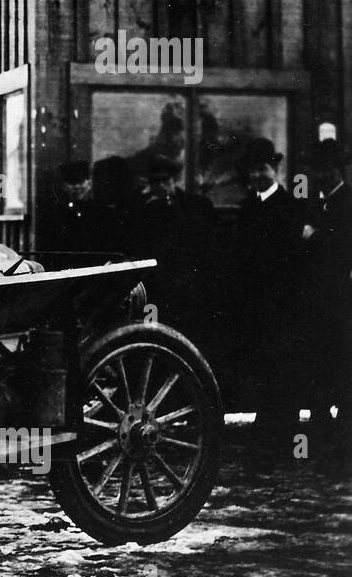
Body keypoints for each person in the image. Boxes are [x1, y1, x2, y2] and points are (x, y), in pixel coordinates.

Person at [228, 138, 305, 448]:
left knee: (282, 367)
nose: (258, 175)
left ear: (275, 169)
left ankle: (283, 431)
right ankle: (266, 426)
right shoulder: (248, 207)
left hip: (281, 302)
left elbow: (292, 259)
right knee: (260, 365)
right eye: (253, 170)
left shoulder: (290, 206)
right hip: (254, 301)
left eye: (263, 169)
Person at [128, 154, 216, 342]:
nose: (160, 186)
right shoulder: (143, 208)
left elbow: (202, 244)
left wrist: (171, 205)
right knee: (153, 335)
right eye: (155, 182)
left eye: (165, 181)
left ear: (173, 180)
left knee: (187, 336)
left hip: (185, 287)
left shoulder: (195, 205)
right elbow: (135, 243)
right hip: (155, 287)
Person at [298, 139, 352, 443]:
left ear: (338, 169)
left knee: (342, 363)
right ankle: (321, 428)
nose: (322, 174)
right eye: (318, 169)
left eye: (327, 169)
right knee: (318, 363)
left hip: (342, 299)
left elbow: (344, 246)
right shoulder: (314, 203)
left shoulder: (348, 200)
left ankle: (344, 431)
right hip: (317, 299)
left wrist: (316, 235)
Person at [38, 159, 121, 264]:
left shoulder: (103, 213)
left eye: (81, 181)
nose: (77, 187)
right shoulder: (54, 214)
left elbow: (113, 245)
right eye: (71, 183)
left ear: (89, 183)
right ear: (64, 186)